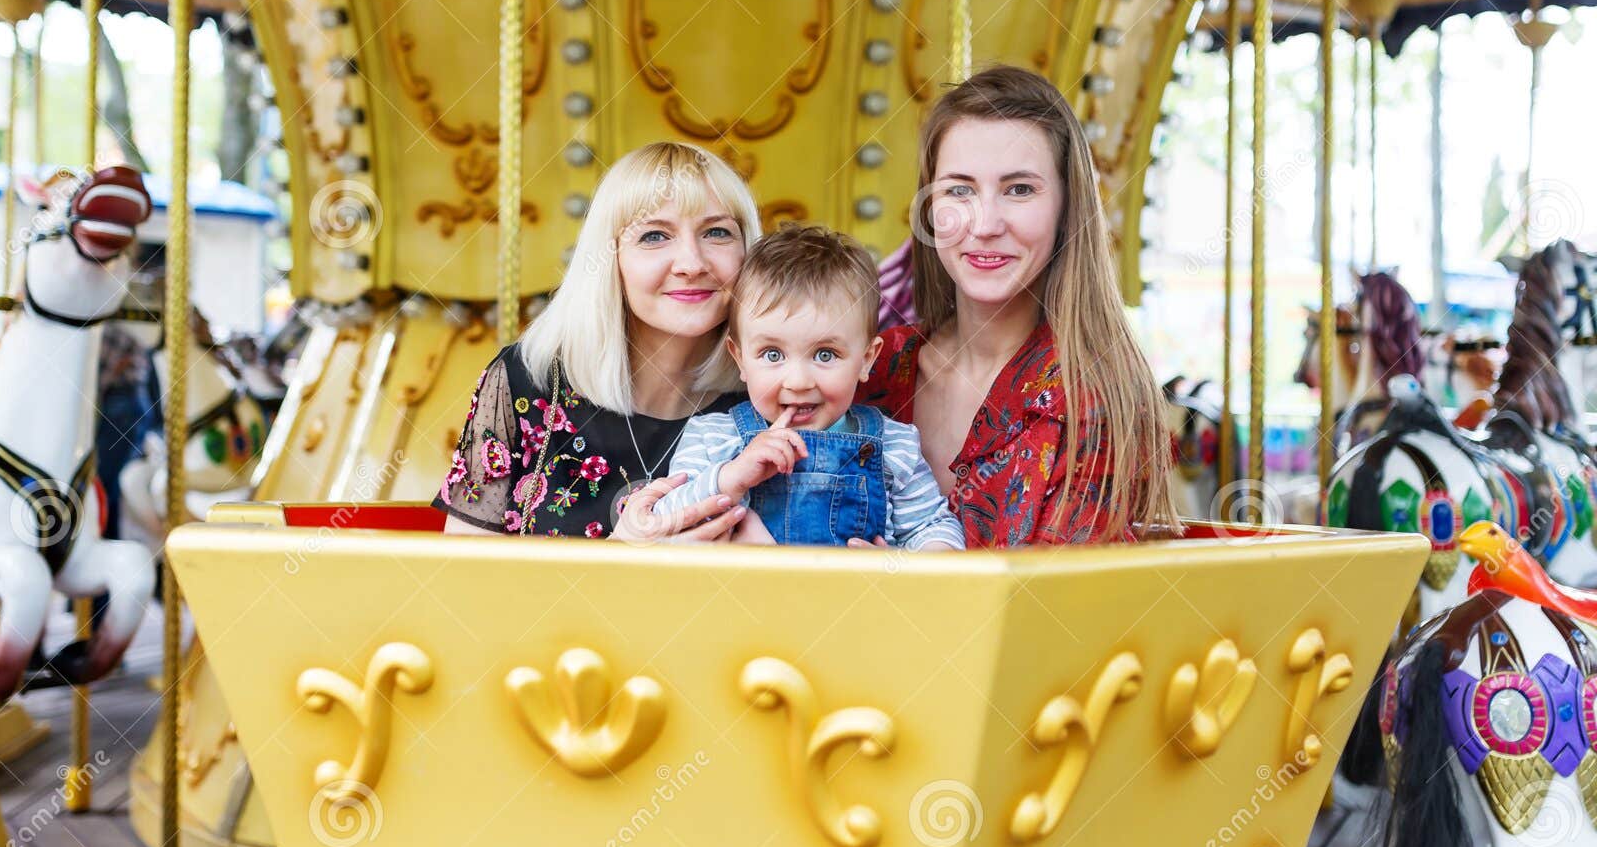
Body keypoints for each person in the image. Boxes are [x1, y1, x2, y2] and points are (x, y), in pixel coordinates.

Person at [858, 64, 1177, 545]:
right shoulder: (875, 366)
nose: (984, 223)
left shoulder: (1098, 398)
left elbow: (1056, 606)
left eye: (1019, 189)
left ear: (1067, 208)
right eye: (959, 190)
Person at [434, 142, 760, 541]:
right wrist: (623, 558)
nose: (691, 263)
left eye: (717, 232)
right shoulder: (526, 382)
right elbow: (464, 582)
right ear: (610, 258)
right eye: (655, 236)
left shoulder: (777, 390)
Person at [657, 226, 962, 549]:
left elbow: (934, 527)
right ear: (741, 359)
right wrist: (730, 478)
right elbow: (665, 523)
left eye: (825, 354)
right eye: (772, 354)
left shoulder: (895, 445)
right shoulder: (712, 438)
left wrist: (897, 567)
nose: (799, 382)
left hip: (859, 599)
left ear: (866, 360)